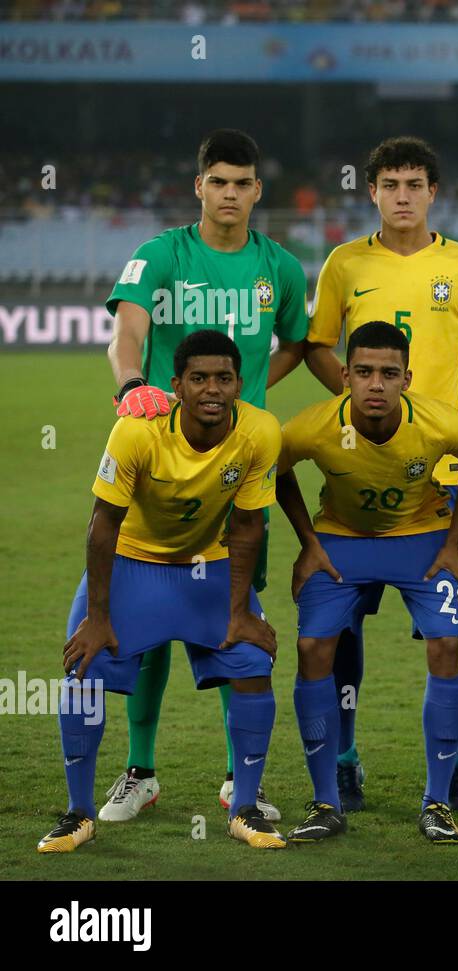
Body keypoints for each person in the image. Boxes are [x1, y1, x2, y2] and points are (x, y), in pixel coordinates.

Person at [100, 129, 308, 824]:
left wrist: (248, 396)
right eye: (216, 180)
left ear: (257, 190)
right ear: (199, 186)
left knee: (235, 612)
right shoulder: (162, 254)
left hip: (238, 470)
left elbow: (299, 339)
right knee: (151, 627)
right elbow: (126, 329)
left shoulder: (278, 267)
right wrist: (133, 382)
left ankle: (234, 777)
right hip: (158, 465)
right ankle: (141, 769)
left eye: (241, 182)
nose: (229, 192)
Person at [300, 135, 458, 813]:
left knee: (449, 625)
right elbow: (318, 344)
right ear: (372, 192)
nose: (403, 195)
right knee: (343, 621)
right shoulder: (344, 263)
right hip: (356, 472)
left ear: (433, 192)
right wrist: (356, 410)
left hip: (440, 472)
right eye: (390, 184)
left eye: (415, 183)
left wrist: (434, 412)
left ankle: (456, 763)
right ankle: (348, 756)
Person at [40, 331, 283, 852]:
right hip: (132, 563)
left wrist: (240, 611)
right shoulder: (137, 431)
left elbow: (247, 528)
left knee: (251, 663)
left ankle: (244, 806)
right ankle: (78, 813)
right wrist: (99, 616)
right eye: (199, 379)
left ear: (240, 383)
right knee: (82, 669)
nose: (212, 390)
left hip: (208, 567)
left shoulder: (261, 432)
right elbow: (102, 525)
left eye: (223, 378)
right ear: (177, 385)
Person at [276, 322, 458, 844]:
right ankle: (326, 801)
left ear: (407, 379)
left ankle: (437, 801)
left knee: (446, 643)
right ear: (345, 376)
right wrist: (309, 541)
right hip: (342, 540)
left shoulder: (442, 423)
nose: (376, 384)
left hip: (421, 538)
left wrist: (454, 543)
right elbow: (277, 469)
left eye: (389, 373)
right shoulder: (311, 427)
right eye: (365, 372)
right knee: (312, 646)